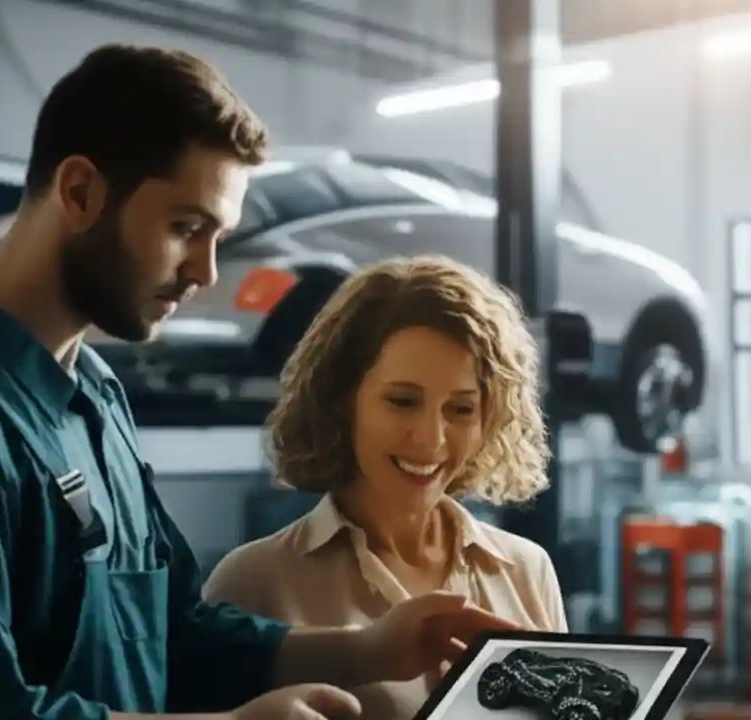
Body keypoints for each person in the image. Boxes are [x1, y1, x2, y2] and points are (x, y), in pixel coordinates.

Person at [0, 45, 515, 720]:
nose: (207, 272)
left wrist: (366, 651)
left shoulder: (94, 397)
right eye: (187, 227)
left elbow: (173, 633)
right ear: (80, 192)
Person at [203, 256, 570, 720]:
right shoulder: (253, 582)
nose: (432, 439)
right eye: (402, 402)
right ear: (341, 400)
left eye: (460, 409)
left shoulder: (526, 570)